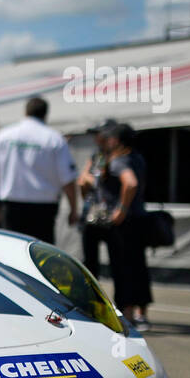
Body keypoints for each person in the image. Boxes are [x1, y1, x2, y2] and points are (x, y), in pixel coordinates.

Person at [0, 96, 79, 243]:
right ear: (45, 114)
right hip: (44, 209)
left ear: (25, 112)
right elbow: (67, 178)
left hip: (12, 207)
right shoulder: (54, 139)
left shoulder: (4, 136)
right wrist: (74, 208)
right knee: (41, 255)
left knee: (12, 253)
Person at [99, 123, 152, 330]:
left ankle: (126, 313)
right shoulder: (138, 157)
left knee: (122, 268)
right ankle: (142, 313)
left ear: (117, 140)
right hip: (139, 218)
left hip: (124, 223)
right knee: (139, 266)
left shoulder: (120, 160)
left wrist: (121, 208)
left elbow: (130, 183)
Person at [77, 118, 118, 277]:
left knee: (118, 262)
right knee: (90, 262)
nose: (96, 139)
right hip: (93, 214)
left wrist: (89, 180)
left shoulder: (118, 155)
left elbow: (94, 179)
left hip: (111, 215)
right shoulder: (97, 155)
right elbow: (83, 181)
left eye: (98, 134)